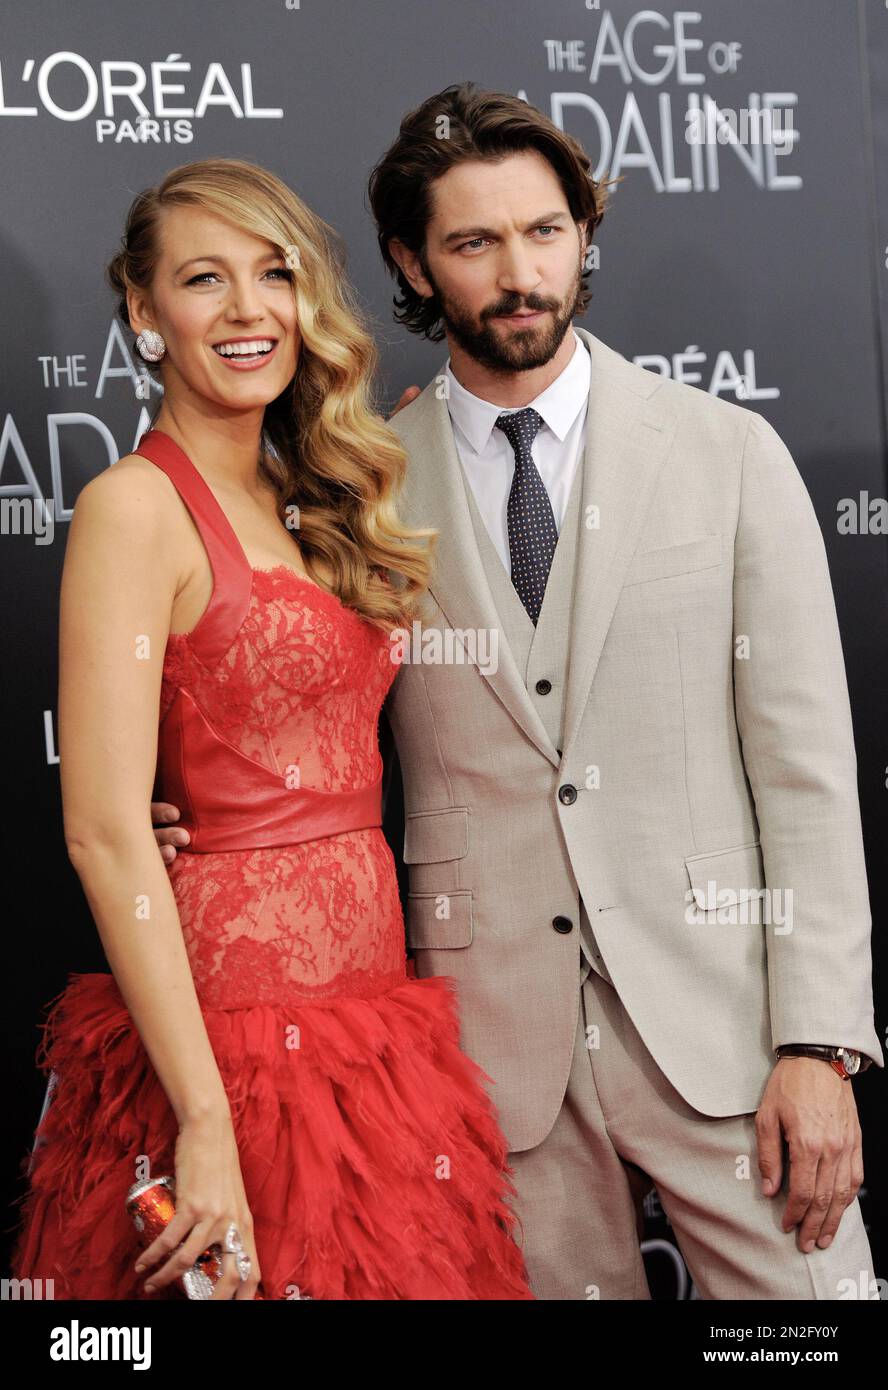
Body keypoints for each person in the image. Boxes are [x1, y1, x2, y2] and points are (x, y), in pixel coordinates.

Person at [156, 83, 884, 1301]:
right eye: (474, 243)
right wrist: (206, 818)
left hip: (725, 1039)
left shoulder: (728, 455)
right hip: (487, 1050)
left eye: (546, 233)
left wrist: (819, 1042)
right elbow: (296, 710)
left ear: (585, 236)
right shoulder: (356, 490)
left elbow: (806, 776)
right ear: (413, 262)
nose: (520, 273)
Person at [9, 156, 534, 1301]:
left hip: (376, 1033)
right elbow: (103, 832)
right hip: (230, 1043)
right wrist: (202, 1119)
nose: (250, 311)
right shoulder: (131, 508)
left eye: (275, 275)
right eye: (205, 279)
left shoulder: (313, 493)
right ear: (145, 312)